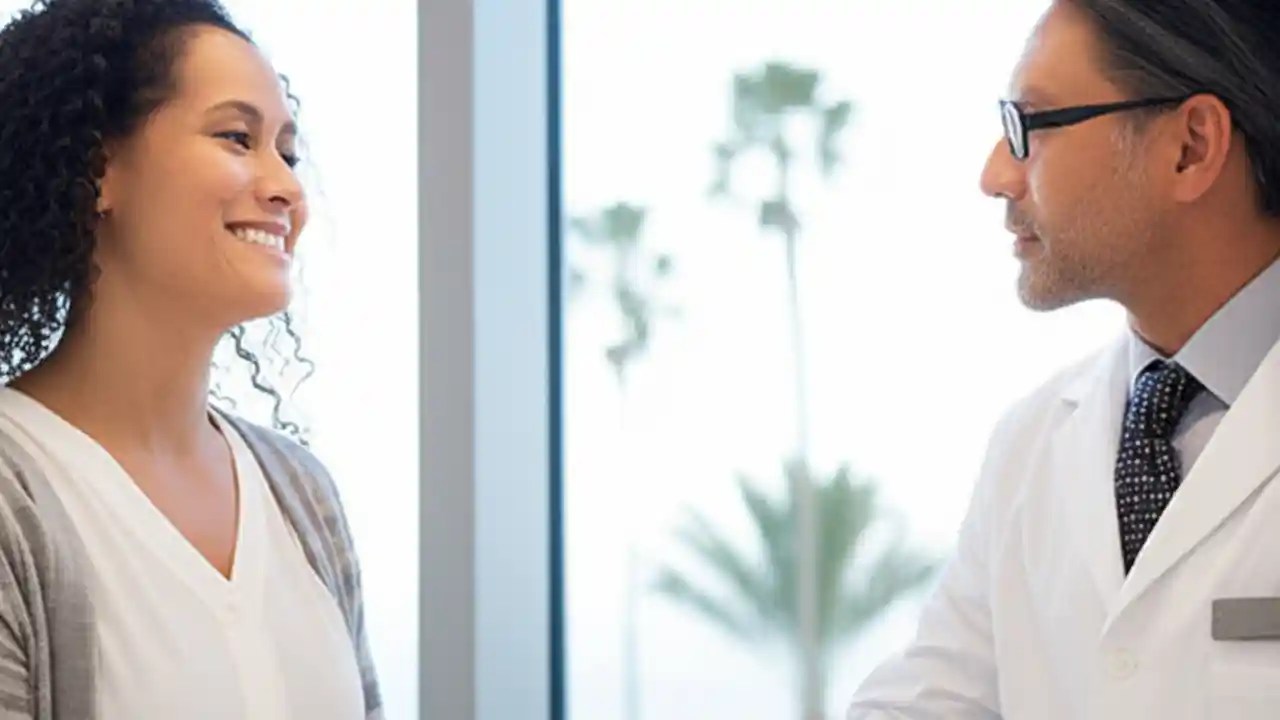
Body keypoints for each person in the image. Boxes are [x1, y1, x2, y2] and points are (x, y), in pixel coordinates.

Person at [847, 1, 1280, 718]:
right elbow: (930, 700)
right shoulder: (1031, 443)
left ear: (1191, 146)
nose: (995, 175)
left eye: (1030, 126)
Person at [0, 0, 382, 718]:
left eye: (288, 152)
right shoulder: (13, 499)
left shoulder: (303, 496)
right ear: (98, 169)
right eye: (237, 137)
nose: (287, 188)